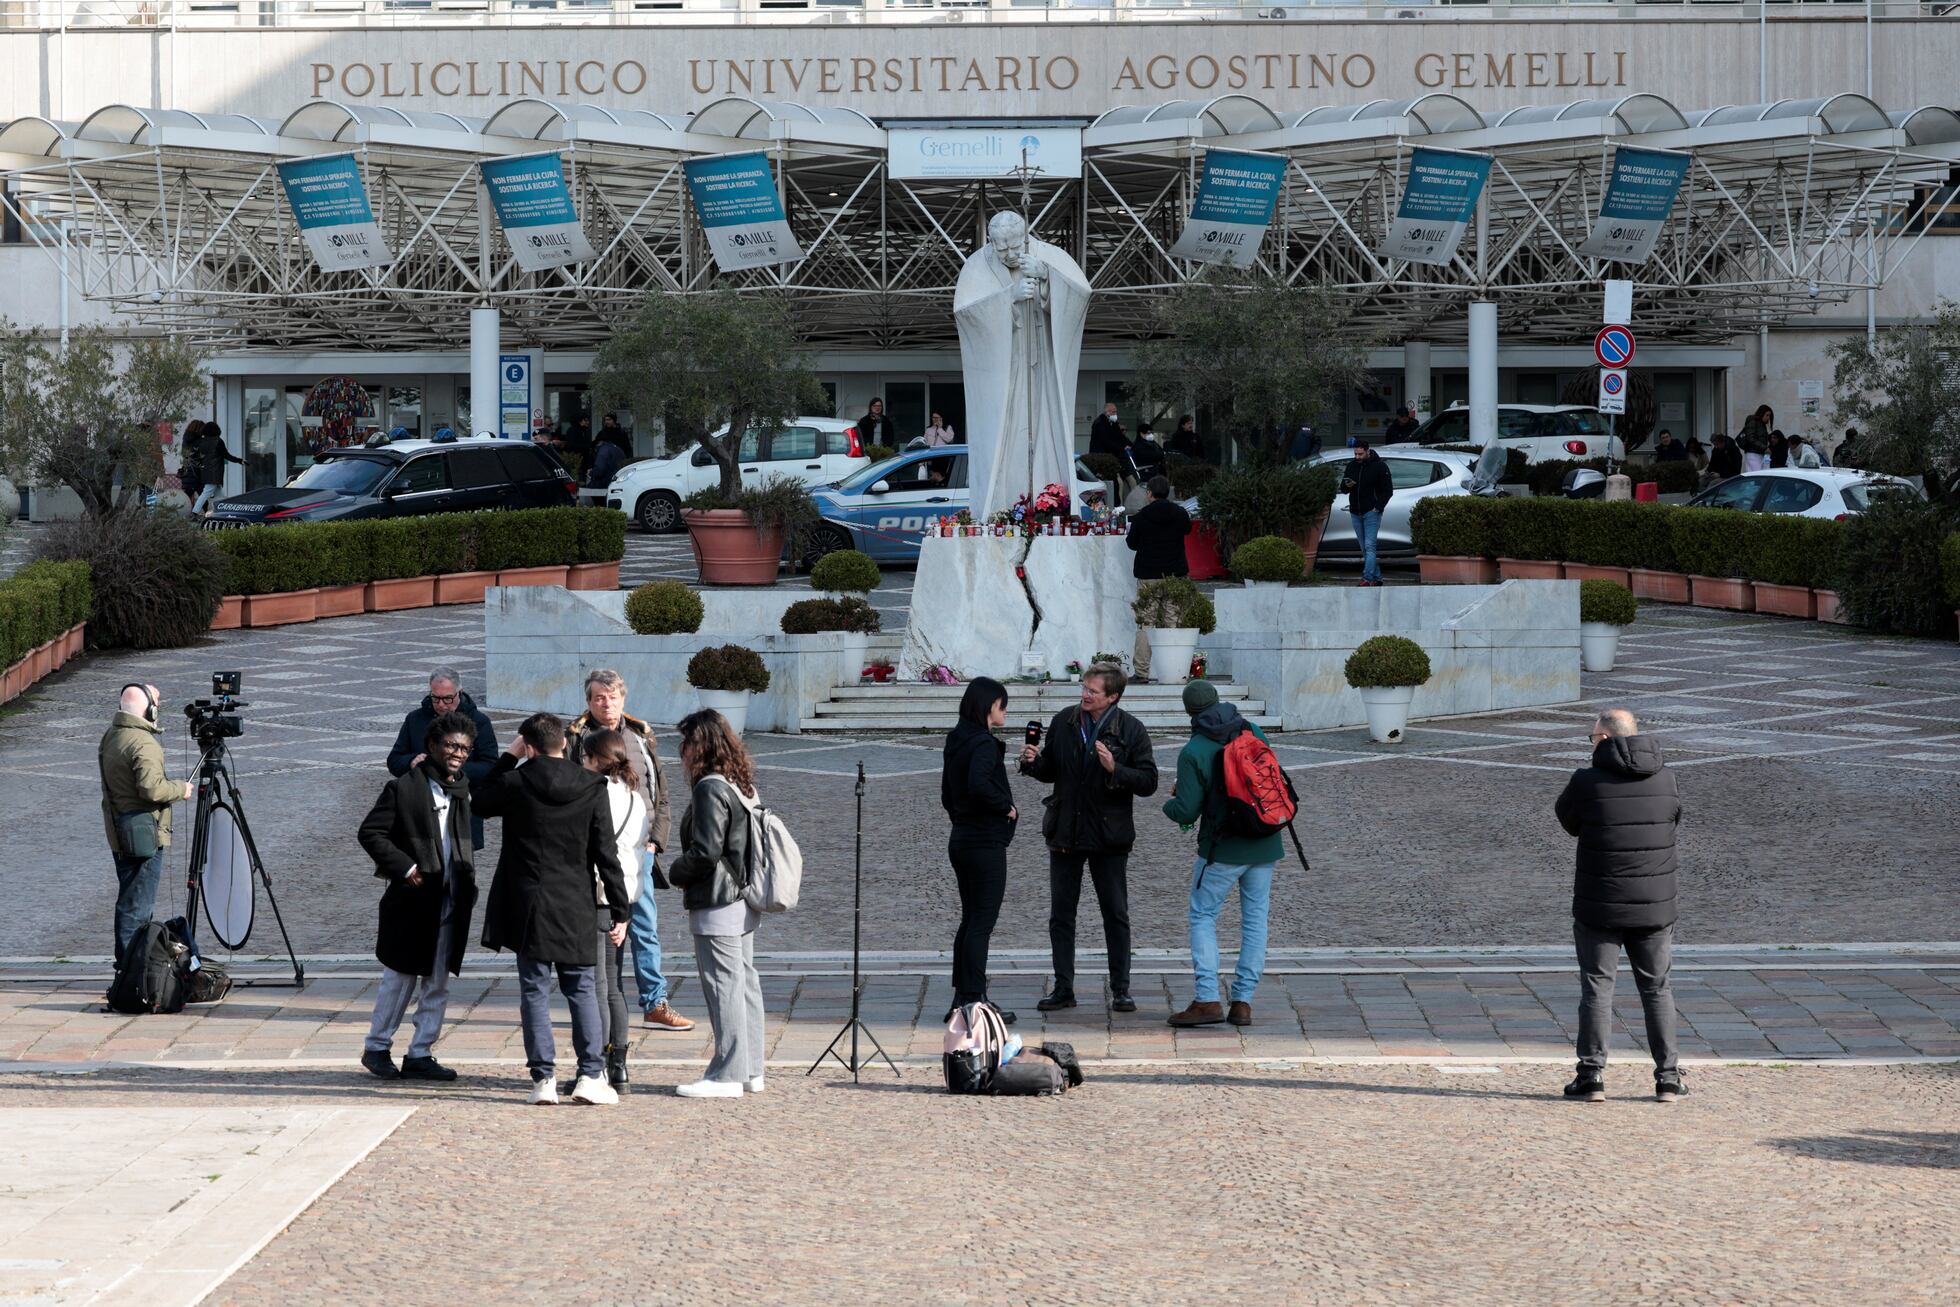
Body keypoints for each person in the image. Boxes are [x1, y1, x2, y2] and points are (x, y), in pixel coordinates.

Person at [473, 713, 629, 1106]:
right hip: (575, 902)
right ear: (564, 743)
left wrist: (510, 756)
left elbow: (479, 799)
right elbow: (604, 853)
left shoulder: (515, 781)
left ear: (529, 745)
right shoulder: (592, 785)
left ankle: (543, 1079)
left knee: (535, 991)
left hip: (529, 903)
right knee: (582, 990)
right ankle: (591, 1075)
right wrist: (620, 909)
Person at [1554, 708, 1685, 1104]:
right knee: (1657, 989)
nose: (1591, 744)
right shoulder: (1666, 778)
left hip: (1600, 906)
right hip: (1654, 908)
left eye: (1592, 738)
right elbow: (1674, 819)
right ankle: (1668, 1078)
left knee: (1597, 987)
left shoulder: (1586, 781)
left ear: (1606, 740)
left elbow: (1568, 820)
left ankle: (1591, 1076)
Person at [1019, 663, 1159, 1014]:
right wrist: (1033, 762)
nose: (1084, 694)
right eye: (1084, 688)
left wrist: (1116, 769)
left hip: (1108, 836)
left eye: (1092, 691)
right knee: (1061, 915)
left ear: (1112, 696)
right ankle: (1063, 987)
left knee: (1115, 913)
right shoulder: (1065, 721)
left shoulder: (1130, 729)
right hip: (1065, 830)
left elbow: (1149, 782)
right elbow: (1052, 769)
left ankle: (1121, 989)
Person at [356, 710, 481, 1083]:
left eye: (465, 747)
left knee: (438, 981)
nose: (458, 753)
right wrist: (407, 868)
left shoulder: (463, 790)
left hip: (451, 898)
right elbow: (370, 833)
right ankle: (376, 1047)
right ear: (432, 746)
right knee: (400, 978)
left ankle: (421, 1053)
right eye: (451, 745)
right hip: (412, 899)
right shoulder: (403, 788)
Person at [566, 670, 689, 1032]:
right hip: (596, 851)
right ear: (589, 702)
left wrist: (657, 838)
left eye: (612, 697)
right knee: (605, 928)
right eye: (599, 698)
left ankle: (655, 1001)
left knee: (645, 927)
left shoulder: (639, 734)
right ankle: (605, 996)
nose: (606, 703)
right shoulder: (577, 738)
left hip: (640, 848)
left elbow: (660, 792)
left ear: (623, 698)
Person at [1161, 680, 1280, 1028]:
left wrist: (1170, 802)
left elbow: (1186, 811)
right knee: (1255, 920)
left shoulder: (1194, 750)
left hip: (1223, 849)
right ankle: (1243, 1001)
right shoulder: (1252, 729)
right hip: (1265, 840)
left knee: (1203, 915)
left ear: (1190, 714)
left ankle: (1207, 998)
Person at [665, 710, 769, 1098]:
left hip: (718, 900)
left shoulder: (710, 788)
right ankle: (751, 1069)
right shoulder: (740, 783)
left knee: (724, 985)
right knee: (744, 983)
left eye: (686, 742)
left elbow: (705, 851)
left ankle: (727, 1074)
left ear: (701, 745)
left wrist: (676, 872)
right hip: (742, 898)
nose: (682, 751)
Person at [98, 684, 194, 969]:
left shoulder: (112, 735)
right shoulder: (142, 742)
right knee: (136, 906)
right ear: (149, 710)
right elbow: (151, 790)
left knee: (131, 900)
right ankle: (131, 973)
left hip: (120, 830)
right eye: (158, 705)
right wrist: (181, 789)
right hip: (143, 834)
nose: (159, 710)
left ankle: (130, 968)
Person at [941, 677, 1019, 1022]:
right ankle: (974, 998)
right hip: (984, 841)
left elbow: (947, 793)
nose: (1005, 711)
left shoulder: (957, 739)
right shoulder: (983, 744)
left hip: (961, 838)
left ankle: (963, 995)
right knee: (981, 922)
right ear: (990, 707)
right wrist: (1006, 807)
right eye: (1002, 704)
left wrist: (961, 816)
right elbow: (979, 784)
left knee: (970, 918)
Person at [578, 728, 649, 1096]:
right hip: (626, 900)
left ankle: (599, 1067)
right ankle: (619, 1065)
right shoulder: (636, 797)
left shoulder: (596, 794)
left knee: (597, 987)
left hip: (599, 896)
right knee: (614, 986)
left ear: (593, 759)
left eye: (584, 757)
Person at [388, 668, 498, 848]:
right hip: (420, 809)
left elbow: (490, 767)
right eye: (435, 698)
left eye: (447, 698)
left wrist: (451, 767)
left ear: (459, 694)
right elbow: (394, 760)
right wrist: (411, 761)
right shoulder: (414, 719)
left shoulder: (479, 722)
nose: (441, 704)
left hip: (461, 809)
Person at [1125, 474, 1192, 680]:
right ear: (1168, 493)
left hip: (1148, 576)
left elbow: (1132, 544)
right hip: (1175, 576)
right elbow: (1188, 530)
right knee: (1173, 622)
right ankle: (1174, 672)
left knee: (1146, 623)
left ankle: (1142, 673)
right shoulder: (1179, 513)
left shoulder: (1142, 516)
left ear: (1149, 494)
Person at [1340, 437, 1394, 587]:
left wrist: (1378, 507)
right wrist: (1348, 485)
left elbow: (1388, 490)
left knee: (1370, 546)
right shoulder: (1352, 466)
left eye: (1360, 454)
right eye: (1355, 454)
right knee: (1365, 547)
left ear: (1368, 451)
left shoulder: (1379, 467)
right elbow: (1343, 489)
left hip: (1371, 512)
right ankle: (1377, 577)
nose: (1357, 457)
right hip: (1355, 511)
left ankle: (1367, 577)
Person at [190, 422, 241, 515]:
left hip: (205, 471)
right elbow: (226, 455)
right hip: (215, 472)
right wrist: (239, 460)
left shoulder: (202, 442)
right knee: (206, 493)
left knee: (219, 495)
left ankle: (223, 512)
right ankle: (194, 512)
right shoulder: (218, 441)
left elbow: (196, 457)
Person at [175, 419, 207, 509]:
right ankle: (205, 517)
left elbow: (184, 455)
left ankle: (186, 518)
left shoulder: (186, 439)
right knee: (204, 498)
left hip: (187, 472)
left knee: (186, 500)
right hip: (197, 474)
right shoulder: (200, 441)